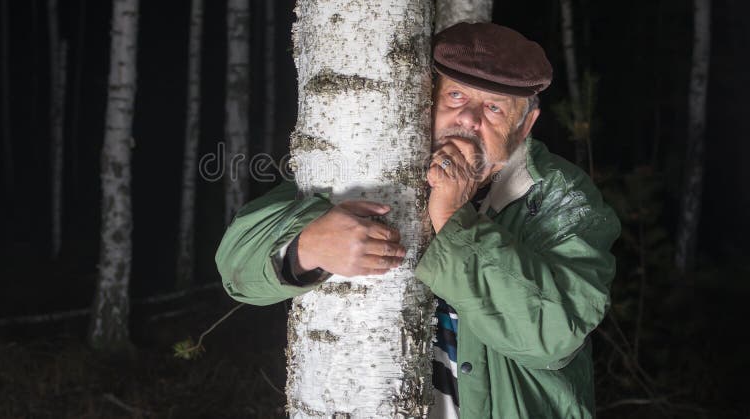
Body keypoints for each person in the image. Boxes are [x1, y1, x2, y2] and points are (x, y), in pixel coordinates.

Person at [216, 22, 620, 418]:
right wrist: (308, 245)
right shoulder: (370, 158)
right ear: (427, 97)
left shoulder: (562, 196)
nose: (470, 120)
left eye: (494, 108)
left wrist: (453, 220)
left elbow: (552, 334)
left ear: (525, 125)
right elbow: (236, 269)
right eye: (457, 96)